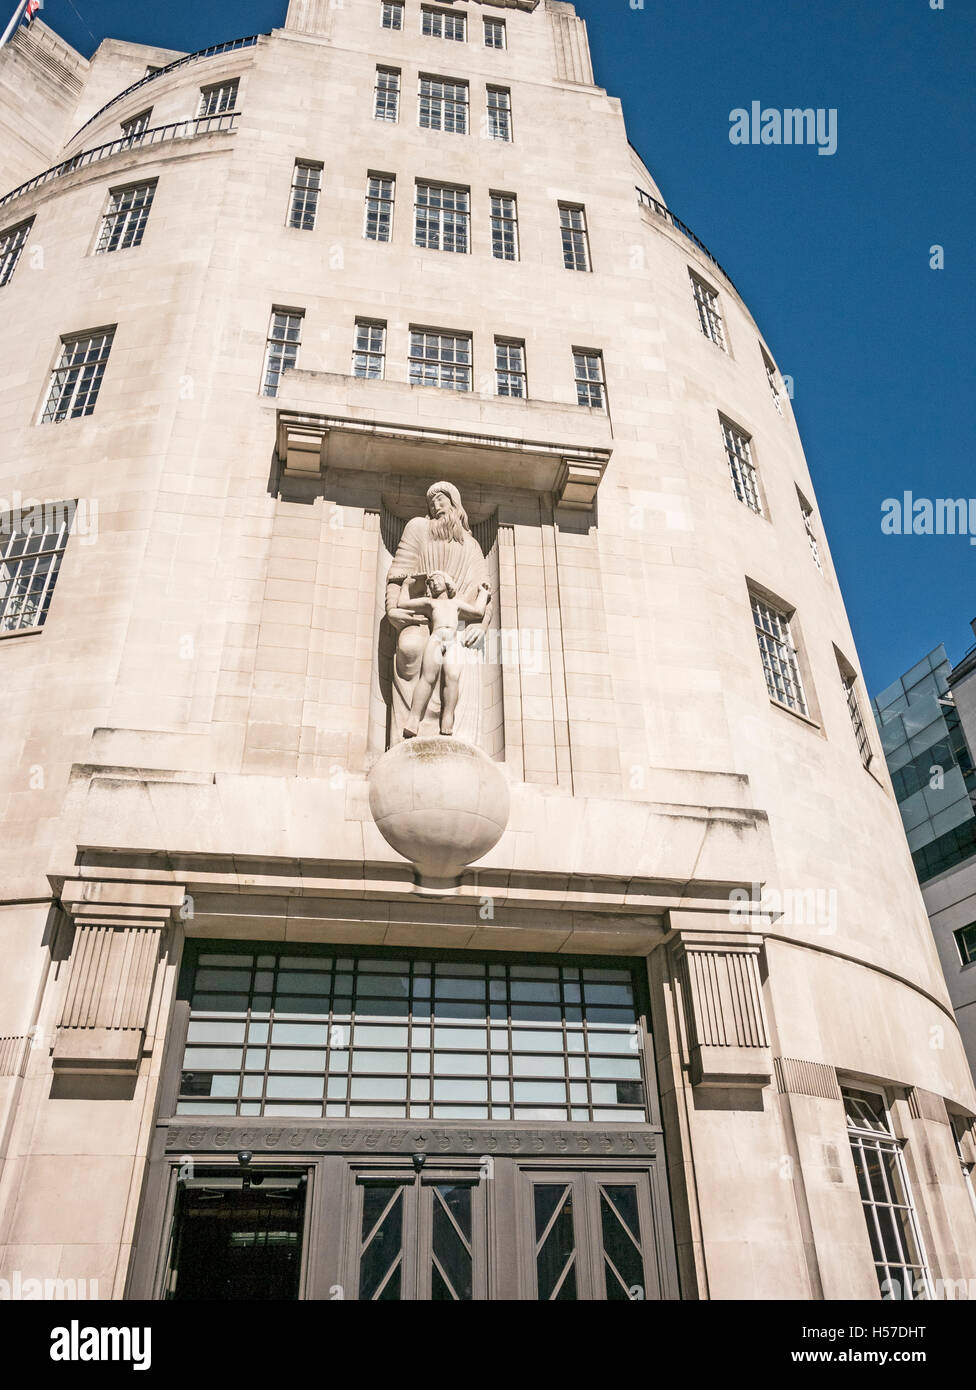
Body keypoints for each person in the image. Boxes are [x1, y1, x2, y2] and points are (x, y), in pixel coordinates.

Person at [397, 572, 491, 737]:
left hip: (453, 640)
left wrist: (483, 594)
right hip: (437, 637)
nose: (433, 583)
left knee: (452, 676)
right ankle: (413, 719)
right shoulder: (430, 603)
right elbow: (402, 603)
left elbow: (478, 612)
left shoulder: (456, 604)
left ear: (447, 582)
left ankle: (448, 720)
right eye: (430, 582)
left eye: (437, 579)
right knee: (428, 677)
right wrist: (405, 585)